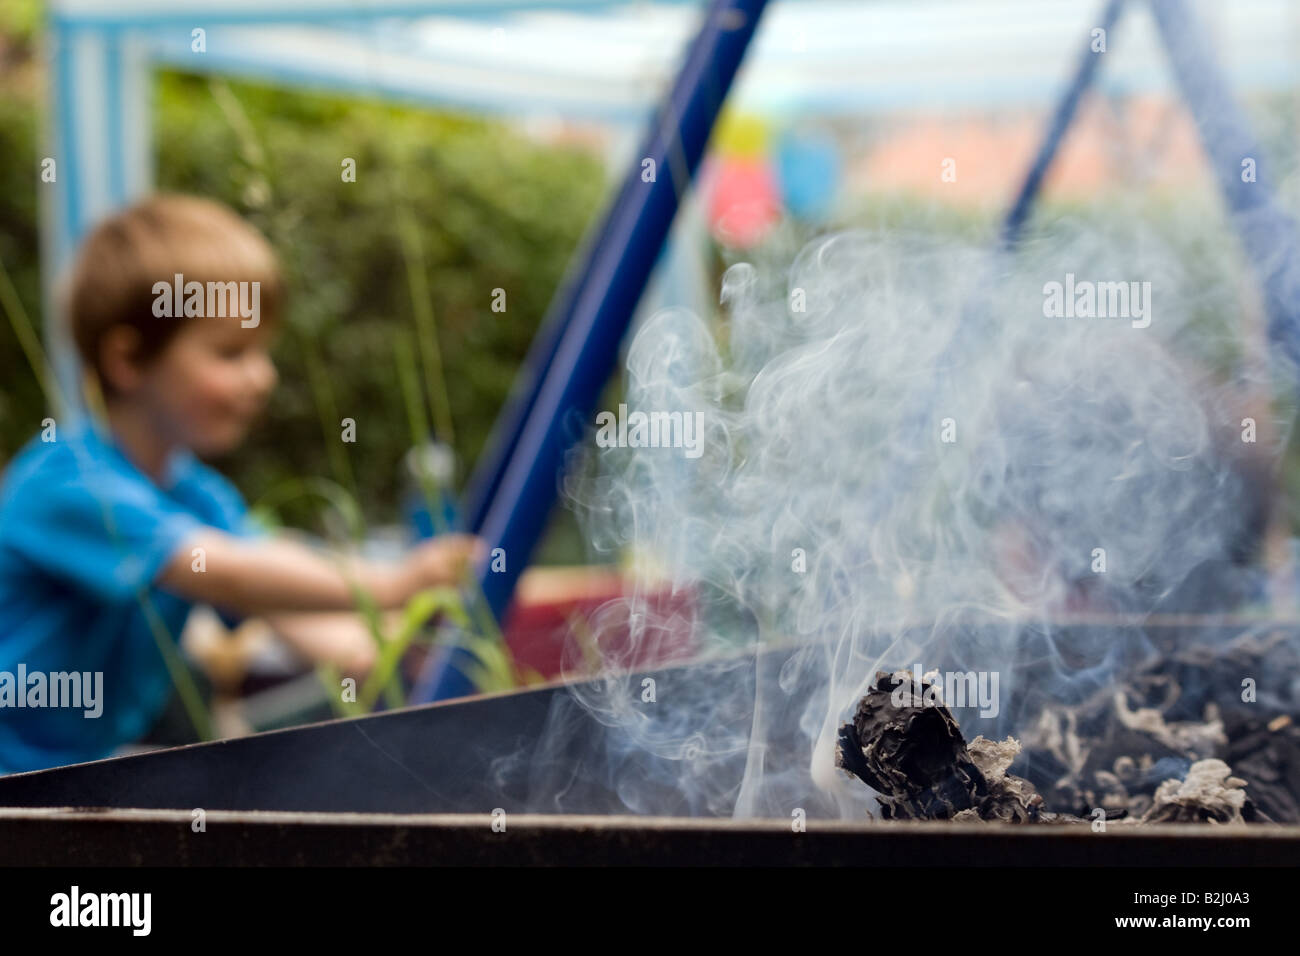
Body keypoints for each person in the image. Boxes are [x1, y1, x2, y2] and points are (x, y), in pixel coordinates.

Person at [0, 195, 482, 774]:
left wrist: (388, 646)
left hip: (76, 774)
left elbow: (277, 593)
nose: (263, 377)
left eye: (263, 351)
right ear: (128, 359)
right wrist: (393, 583)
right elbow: (228, 570)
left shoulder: (195, 494)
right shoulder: (67, 483)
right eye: (232, 353)